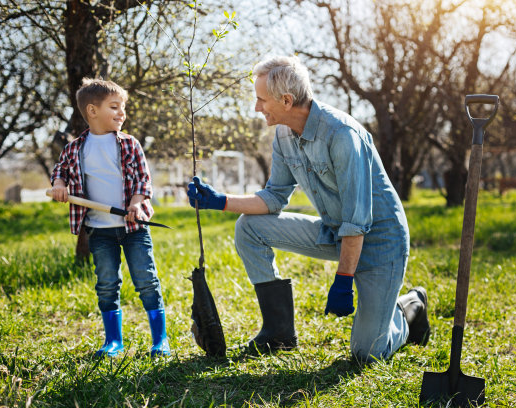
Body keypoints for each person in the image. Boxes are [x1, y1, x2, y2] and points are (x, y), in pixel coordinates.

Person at [187, 56, 430, 362]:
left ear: (286, 100)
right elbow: (274, 197)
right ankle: (277, 332)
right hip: (334, 232)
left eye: (261, 100)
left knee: (367, 354)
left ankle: (409, 306)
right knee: (249, 227)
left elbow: (357, 222)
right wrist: (219, 201)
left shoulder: (342, 136)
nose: (257, 108)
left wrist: (343, 279)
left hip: (380, 242)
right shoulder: (284, 135)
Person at [50, 78, 170, 357]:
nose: (122, 113)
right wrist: (59, 185)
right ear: (92, 111)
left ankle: (160, 339)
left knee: (146, 281)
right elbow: (60, 172)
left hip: (133, 228)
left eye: (123, 107)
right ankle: (114, 341)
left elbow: (142, 180)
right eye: (114, 107)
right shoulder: (75, 149)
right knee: (106, 284)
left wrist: (137, 204)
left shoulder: (129, 144)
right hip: (99, 230)